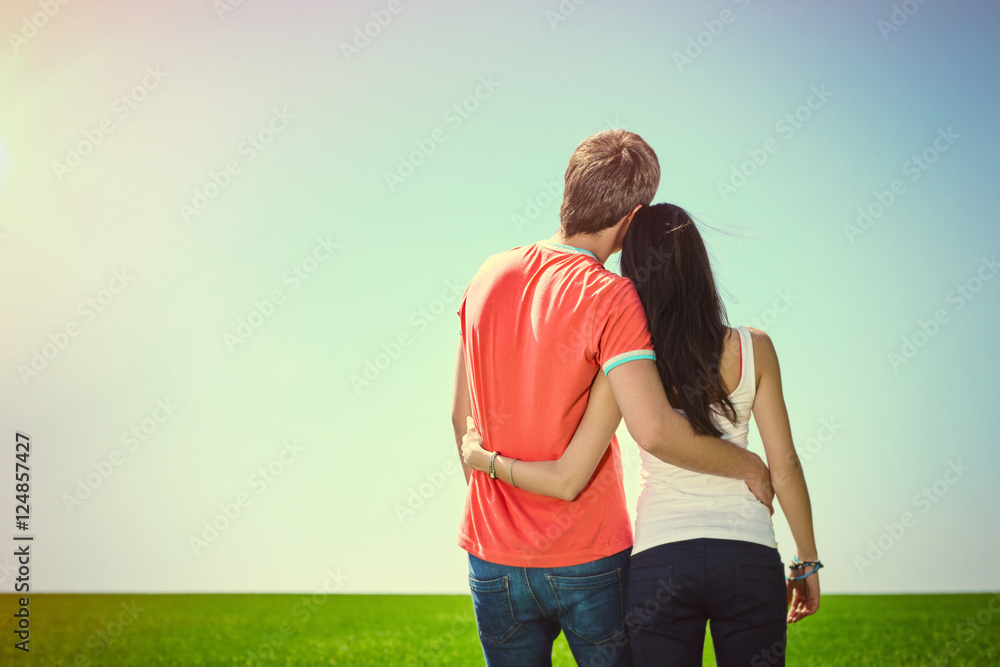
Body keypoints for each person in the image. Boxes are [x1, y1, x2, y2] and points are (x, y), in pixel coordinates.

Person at [452, 132, 774, 666]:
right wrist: (750, 465)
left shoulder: (488, 274)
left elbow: (461, 416)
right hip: (588, 557)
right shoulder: (612, 295)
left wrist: (502, 515)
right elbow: (654, 431)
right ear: (636, 215)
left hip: (492, 557)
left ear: (570, 188)